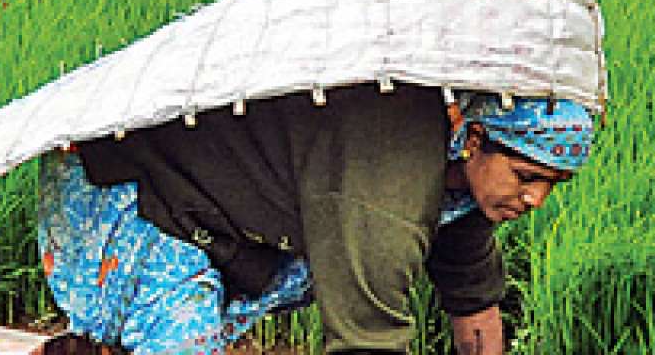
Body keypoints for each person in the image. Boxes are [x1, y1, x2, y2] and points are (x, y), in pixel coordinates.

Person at [34, 81, 597, 355]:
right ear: (476, 138)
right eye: (526, 176)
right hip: (147, 197)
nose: (535, 200)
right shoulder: (388, 190)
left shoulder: (462, 183)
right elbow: (365, 341)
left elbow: (473, 297)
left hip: (231, 217)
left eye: (553, 184)